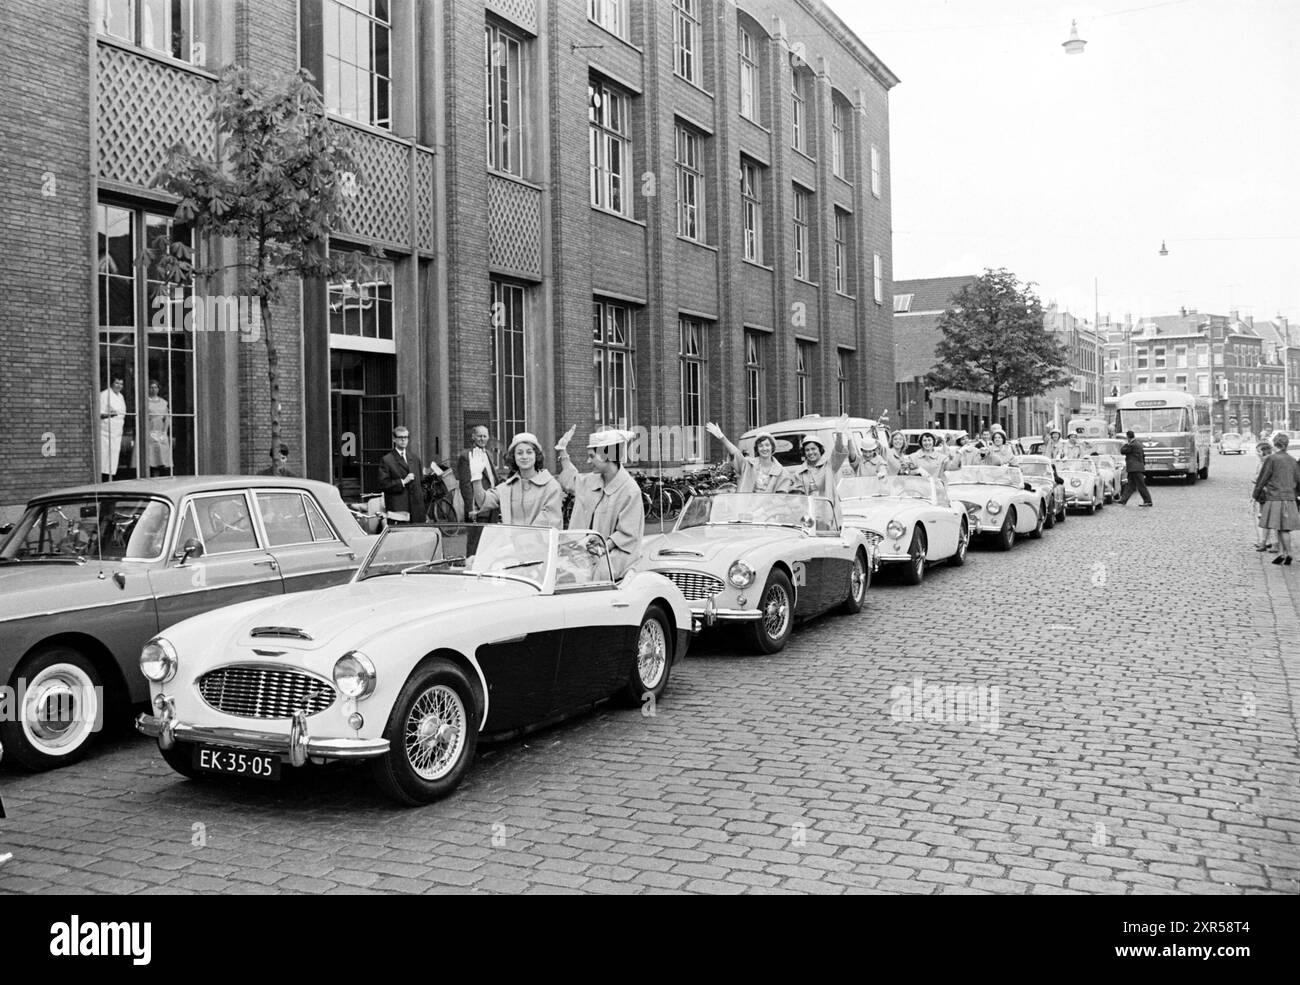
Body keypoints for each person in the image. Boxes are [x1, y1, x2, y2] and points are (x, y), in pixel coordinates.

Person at [556, 426, 645, 579]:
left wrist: (599, 548)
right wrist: (562, 451)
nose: (588, 461)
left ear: (607, 455)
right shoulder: (591, 481)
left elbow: (627, 534)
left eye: (592, 456)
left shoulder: (630, 490)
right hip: (583, 560)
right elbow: (572, 480)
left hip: (612, 565)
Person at [472, 432, 564, 528]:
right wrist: (476, 478)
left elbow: (548, 524)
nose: (524, 457)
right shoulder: (507, 487)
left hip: (539, 542)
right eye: (519, 453)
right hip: (511, 542)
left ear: (536, 455)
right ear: (513, 457)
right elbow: (483, 501)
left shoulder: (551, 486)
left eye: (529, 452)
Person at [1253, 432, 1300, 564]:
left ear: (1275, 444)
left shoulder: (1271, 459)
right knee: (1284, 528)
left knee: (1278, 527)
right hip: (1289, 498)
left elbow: (1263, 478)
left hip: (1275, 497)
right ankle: (1285, 553)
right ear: (1287, 445)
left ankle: (1286, 553)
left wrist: (1256, 494)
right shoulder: (1292, 460)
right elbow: (1298, 479)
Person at [705, 422, 792, 493]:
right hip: (746, 510)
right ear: (757, 449)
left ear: (772, 447)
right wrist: (722, 438)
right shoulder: (748, 465)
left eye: (767, 445)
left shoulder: (782, 472)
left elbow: (781, 498)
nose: (764, 448)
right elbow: (736, 454)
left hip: (769, 512)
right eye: (760, 446)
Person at [378, 425, 434, 521]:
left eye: (406, 437)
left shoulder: (415, 459)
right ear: (394, 439)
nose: (403, 440)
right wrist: (403, 482)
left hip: (417, 509)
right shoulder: (387, 460)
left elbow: (421, 482)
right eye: (400, 437)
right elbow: (383, 484)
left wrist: (421, 496)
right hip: (399, 509)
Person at [456, 425, 500, 523]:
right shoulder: (466, 456)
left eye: (485, 436)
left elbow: (492, 478)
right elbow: (465, 485)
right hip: (478, 509)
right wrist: (470, 508)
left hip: (492, 506)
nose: (482, 439)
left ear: (488, 437)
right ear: (473, 437)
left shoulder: (489, 454)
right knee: (477, 537)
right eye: (479, 436)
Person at [99, 376, 127, 481]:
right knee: (104, 458)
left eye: (121, 384)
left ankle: (111, 479)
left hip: (116, 432)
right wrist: (110, 415)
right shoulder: (104, 395)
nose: (119, 386)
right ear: (111, 383)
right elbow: (100, 413)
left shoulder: (121, 397)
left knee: (113, 458)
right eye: (116, 383)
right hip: (105, 433)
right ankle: (103, 480)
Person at [1252, 441, 1277, 552]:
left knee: (1271, 519)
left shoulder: (1269, 462)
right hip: (1264, 494)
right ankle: (1264, 541)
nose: (1257, 454)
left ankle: (1273, 543)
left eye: (1258, 452)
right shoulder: (1263, 462)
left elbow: (1264, 478)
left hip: (1269, 493)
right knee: (1263, 518)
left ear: (1262, 452)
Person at [1118, 429, 1152, 506]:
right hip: (1136, 468)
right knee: (1130, 485)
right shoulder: (1138, 444)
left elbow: (1122, 451)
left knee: (1141, 486)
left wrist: (1126, 444)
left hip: (1134, 468)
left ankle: (1148, 501)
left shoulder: (1132, 445)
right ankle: (1123, 500)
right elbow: (1143, 456)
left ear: (1128, 437)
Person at [145, 380, 172, 476]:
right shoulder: (145, 401)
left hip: (161, 431)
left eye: (155, 387)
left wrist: (165, 431)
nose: (153, 389)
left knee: (162, 458)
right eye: (151, 387)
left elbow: (167, 417)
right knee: (152, 458)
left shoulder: (164, 402)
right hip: (150, 430)